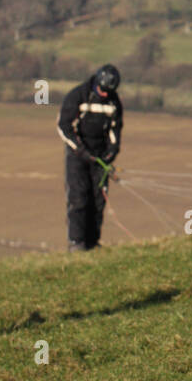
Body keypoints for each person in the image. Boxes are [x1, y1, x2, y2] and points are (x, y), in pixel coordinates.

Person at [57, 64, 123, 253]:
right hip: (77, 155)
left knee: (98, 200)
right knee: (78, 198)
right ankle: (76, 243)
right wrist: (80, 150)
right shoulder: (77, 95)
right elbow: (64, 126)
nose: (104, 95)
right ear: (97, 83)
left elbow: (115, 130)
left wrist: (111, 153)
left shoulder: (113, 102)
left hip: (100, 155)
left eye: (108, 92)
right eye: (102, 91)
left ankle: (93, 243)